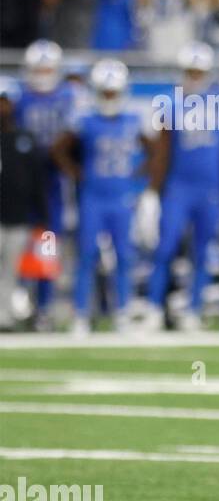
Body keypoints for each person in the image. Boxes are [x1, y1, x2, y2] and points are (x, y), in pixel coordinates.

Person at [53, 59, 148, 335]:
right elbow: (59, 150)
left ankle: (122, 312)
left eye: (113, 91)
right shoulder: (83, 120)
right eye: (105, 91)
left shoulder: (133, 119)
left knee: (124, 256)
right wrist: (77, 173)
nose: (109, 96)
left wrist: (139, 180)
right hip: (93, 197)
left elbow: (155, 151)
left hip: (120, 197)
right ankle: (81, 313)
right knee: (86, 256)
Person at [141, 42, 219, 331]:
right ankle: (155, 308)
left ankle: (193, 309)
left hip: (210, 188)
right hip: (178, 187)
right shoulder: (169, 101)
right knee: (165, 248)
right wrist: (153, 190)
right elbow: (158, 149)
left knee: (203, 252)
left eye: (198, 71)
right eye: (190, 71)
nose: (194, 76)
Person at [15, 40, 77, 329]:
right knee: (19, 243)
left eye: (47, 68)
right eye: (37, 69)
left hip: (54, 181)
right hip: (21, 181)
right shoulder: (19, 99)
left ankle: (45, 305)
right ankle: (19, 302)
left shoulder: (69, 97)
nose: (42, 74)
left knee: (49, 244)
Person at [0, 83, 46, 331]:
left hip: (18, 216)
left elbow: (36, 179)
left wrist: (42, 213)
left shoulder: (24, 138)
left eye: (5, 101)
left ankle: (4, 318)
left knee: (10, 270)